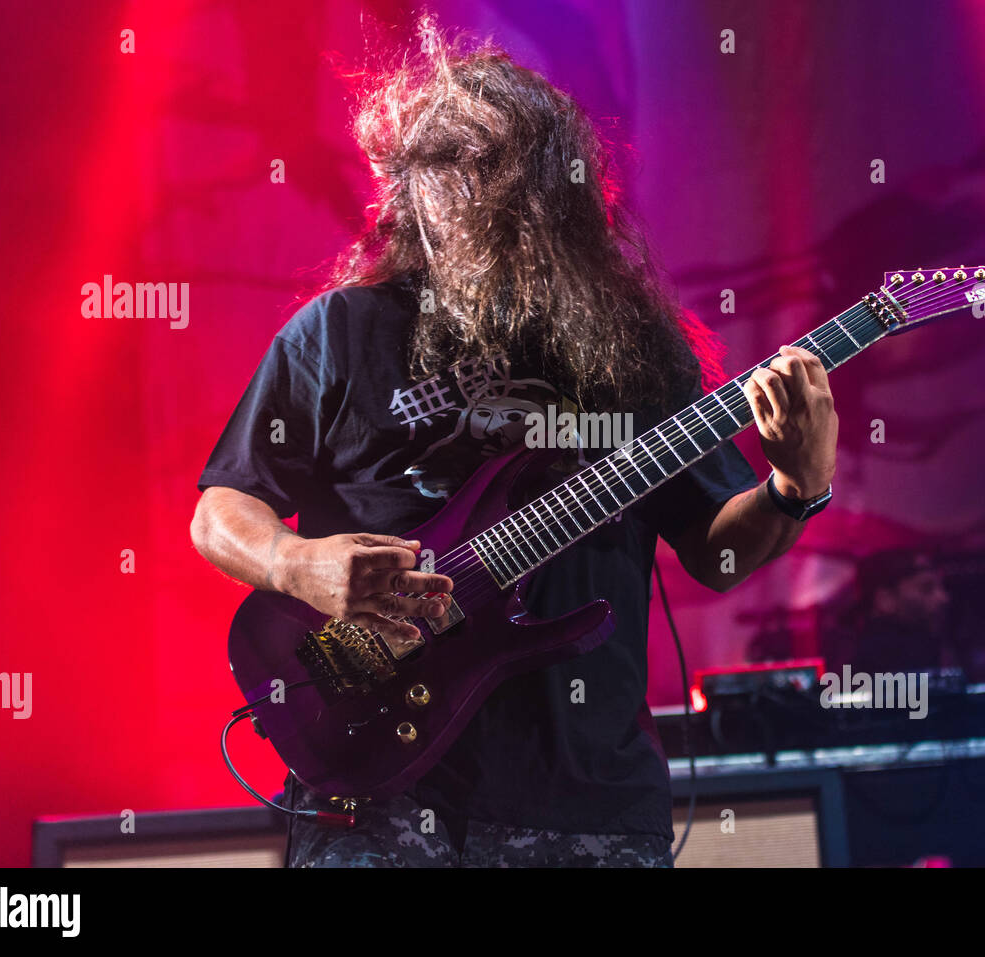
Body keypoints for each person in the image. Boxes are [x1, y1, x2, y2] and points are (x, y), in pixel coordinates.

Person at [189, 20, 839, 868]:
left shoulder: (636, 353)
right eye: (432, 169)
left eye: (481, 168)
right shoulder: (339, 333)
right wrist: (297, 565)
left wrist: (795, 486)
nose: (453, 197)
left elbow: (717, 552)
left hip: (585, 806)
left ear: (552, 193)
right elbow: (220, 509)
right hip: (376, 798)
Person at [848, 549, 953, 674]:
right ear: (885, 599)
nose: (943, 598)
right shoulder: (902, 656)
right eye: (926, 589)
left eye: (941, 587)